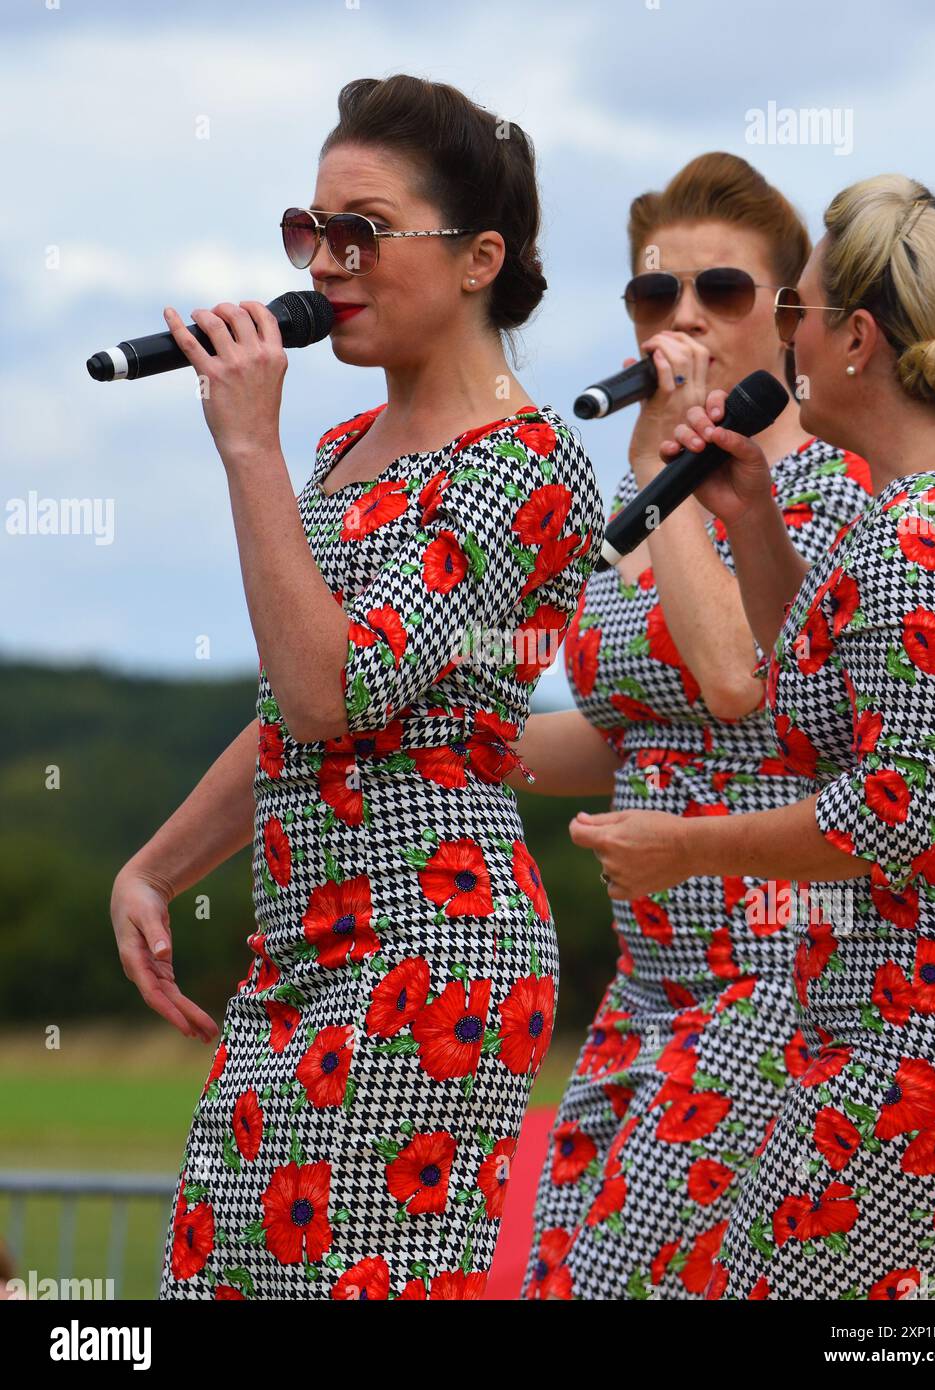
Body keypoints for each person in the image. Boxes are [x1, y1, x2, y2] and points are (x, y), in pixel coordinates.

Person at [109, 73, 606, 1302]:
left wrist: (246, 451)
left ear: (481, 257)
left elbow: (339, 693)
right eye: (310, 232)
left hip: (433, 950)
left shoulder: (525, 465)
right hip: (301, 943)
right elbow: (289, 719)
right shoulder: (338, 454)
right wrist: (158, 866)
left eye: (364, 232)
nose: (327, 263)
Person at [572, 173, 935, 1300]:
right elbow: (801, 707)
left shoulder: (930, 531)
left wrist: (683, 848)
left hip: (931, 1027)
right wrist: (753, 516)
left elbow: (888, 817)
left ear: (854, 339)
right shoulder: (925, 512)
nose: (783, 338)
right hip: (907, 1019)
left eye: (794, 312)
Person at [515, 153, 871, 1300]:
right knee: (552, 1275)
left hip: (780, 971)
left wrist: (667, 469)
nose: (680, 318)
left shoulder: (839, 488)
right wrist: (441, 749)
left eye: (719, 292)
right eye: (651, 294)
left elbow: (736, 682)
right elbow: (627, 727)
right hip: (647, 978)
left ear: (785, 313)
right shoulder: (638, 496)